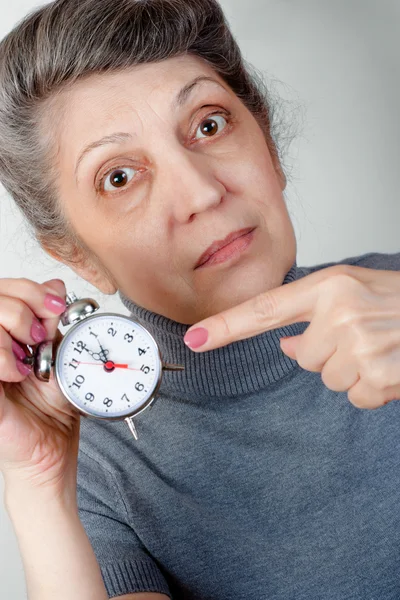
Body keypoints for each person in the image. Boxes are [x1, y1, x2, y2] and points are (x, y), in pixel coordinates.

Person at [1, 0, 400, 598]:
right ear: (75, 254)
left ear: (266, 142)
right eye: (119, 176)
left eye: (209, 124)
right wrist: (37, 485)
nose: (201, 191)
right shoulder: (95, 464)